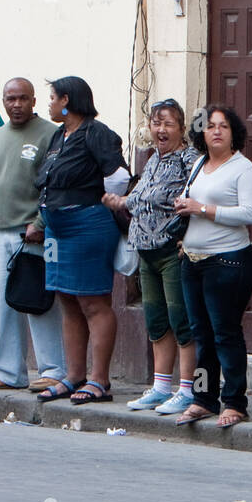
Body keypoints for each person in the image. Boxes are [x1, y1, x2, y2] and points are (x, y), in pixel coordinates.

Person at [33, 76, 131, 405]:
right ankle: (74, 376)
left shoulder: (95, 132)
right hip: (56, 229)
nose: (49, 103)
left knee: (93, 302)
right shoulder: (60, 135)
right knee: (66, 299)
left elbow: (118, 175)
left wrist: (107, 202)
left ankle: (99, 380)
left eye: (52, 97)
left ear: (67, 100)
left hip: (87, 226)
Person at [103, 98, 201, 415]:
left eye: (168, 123)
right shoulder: (154, 160)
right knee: (156, 321)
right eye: (156, 123)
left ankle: (188, 390)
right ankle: (161, 387)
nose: (160, 129)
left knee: (181, 320)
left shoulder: (190, 160)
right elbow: (141, 197)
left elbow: (196, 200)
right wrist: (120, 202)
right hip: (145, 250)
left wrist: (186, 236)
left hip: (173, 250)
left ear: (181, 129)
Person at [0, 77, 66, 393]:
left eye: (22, 98)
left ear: (34, 101)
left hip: (33, 236)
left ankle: (53, 370)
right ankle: (9, 372)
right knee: (3, 304)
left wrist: (40, 222)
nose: (16, 104)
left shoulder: (51, 134)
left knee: (38, 302)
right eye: (10, 99)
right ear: (3, 101)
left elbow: (54, 183)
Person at [171, 104, 252, 429]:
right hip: (192, 261)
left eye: (223, 126)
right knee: (201, 334)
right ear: (202, 133)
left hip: (227, 262)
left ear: (234, 132)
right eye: (210, 126)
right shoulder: (198, 165)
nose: (217, 131)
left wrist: (203, 208)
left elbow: (249, 214)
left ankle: (235, 402)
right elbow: (191, 203)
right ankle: (203, 399)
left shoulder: (243, 168)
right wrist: (185, 209)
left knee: (225, 333)